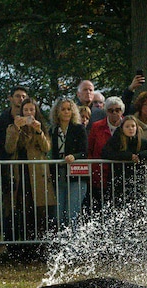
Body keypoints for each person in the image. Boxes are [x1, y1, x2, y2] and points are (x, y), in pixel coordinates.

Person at [4, 96, 53, 241]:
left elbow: (46, 148)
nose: (29, 113)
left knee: (39, 212)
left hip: (38, 175)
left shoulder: (41, 127)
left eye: (31, 109)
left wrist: (38, 131)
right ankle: (23, 245)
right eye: (26, 110)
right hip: (21, 174)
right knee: (21, 210)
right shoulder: (12, 128)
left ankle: (39, 244)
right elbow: (9, 148)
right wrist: (16, 129)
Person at [48, 96, 88, 230]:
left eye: (69, 109)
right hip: (58, 174)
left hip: (76, 175)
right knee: (58, 214)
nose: (66, 112)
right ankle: (60, 240)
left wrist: (74, 157)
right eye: (63, 109)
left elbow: (85, 152)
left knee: (72, 213)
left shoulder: (79, 129)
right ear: (57, 112)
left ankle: (73, 240)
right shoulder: (52, 130)